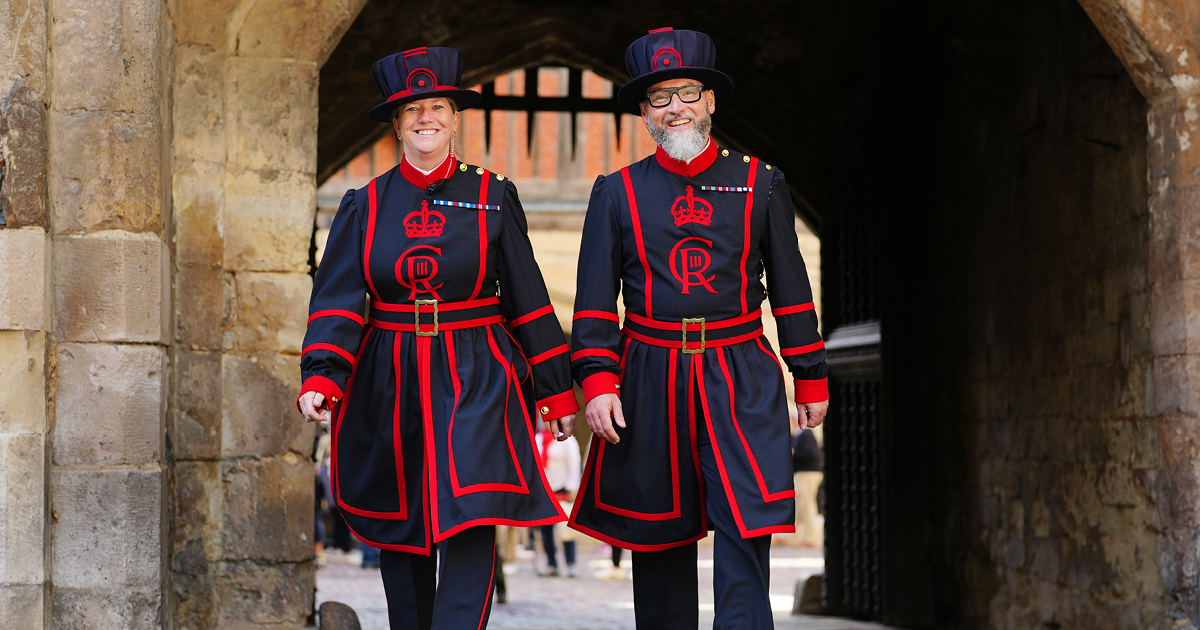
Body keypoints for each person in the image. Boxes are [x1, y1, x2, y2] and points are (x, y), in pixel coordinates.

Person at [298, 46, 579, 630]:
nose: (426, 118)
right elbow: (339, 297)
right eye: (413, 109)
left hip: (477, 368)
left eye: (438, 107)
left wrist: (555, 389)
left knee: (473, 509)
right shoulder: (364, 205)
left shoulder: (494, 195)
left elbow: (529, 298)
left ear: (456, 118)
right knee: (402, 518)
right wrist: (323, 374)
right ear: (397, 123)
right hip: (388, 372)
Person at [568, 28, 830, 630]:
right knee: (657, 539)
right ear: (644, 112)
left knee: (746, 530)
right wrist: (599, 382)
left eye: (687, 92)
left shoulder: (761, 182)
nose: (675, 107)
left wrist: (809, 377)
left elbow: (791, 290)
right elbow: (592, 303)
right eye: (659, 97)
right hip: (648, 373)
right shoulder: (616, 192)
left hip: (741, 373)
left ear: (711, 100)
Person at [535, 425, 581, 576]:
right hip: (544, 490)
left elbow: (573, 464)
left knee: (566, 530)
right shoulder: (538, 438)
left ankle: (571, 563)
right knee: (545, 530)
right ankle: (551, 564)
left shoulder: (566, 439)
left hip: (562, 488)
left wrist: (572, 487)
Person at [790, 428, 824, 547]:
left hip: (807, 473)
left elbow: (810, 453)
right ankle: (800, 537)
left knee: (807, 506)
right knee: (801, 507)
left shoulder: (806, 433)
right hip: (803, 474)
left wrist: (794, 453)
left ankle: (810, 538)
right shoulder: (800, 434)